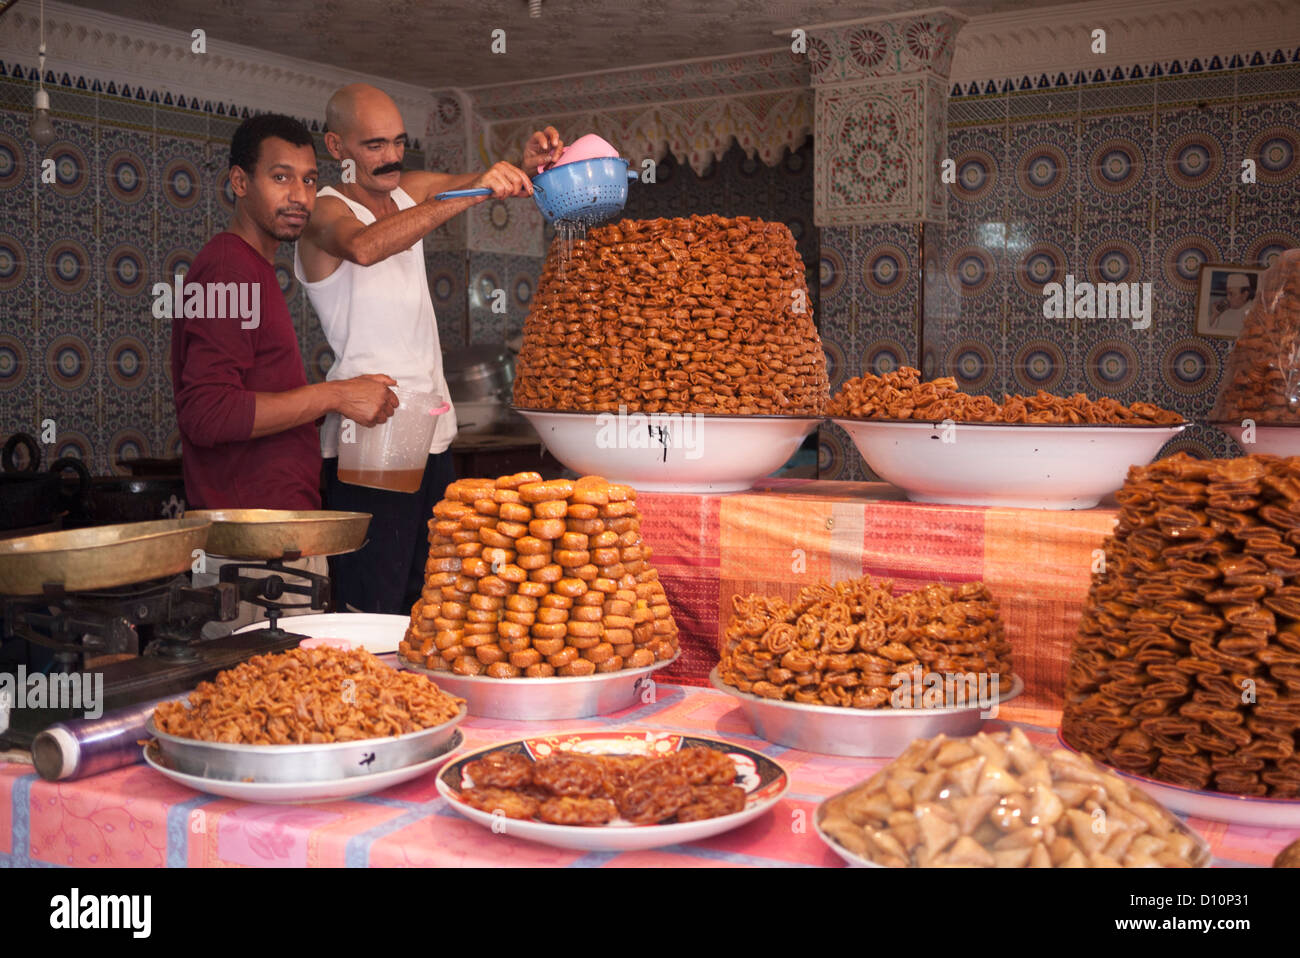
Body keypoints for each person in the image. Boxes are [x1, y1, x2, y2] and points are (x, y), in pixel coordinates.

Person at [295, 83, 563, 614]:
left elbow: (475, 184)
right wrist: (467, 193)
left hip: (432, 424)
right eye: (374, 145)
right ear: (336, 147)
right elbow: (365, 246)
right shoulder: (323, 211)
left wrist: (523, 168)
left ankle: (421, 698)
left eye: (398, 142)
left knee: (429, 595)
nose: (392, 157)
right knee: (375, 598)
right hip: (373, 432)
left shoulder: (406, 190)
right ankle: (366, 692)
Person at [170, 113, 399, 632]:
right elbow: (207, 414)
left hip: (276, 538)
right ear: (239, 183)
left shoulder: (253, 269)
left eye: (309, 179)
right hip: (253, 549)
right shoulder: (228, 270)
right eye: (280, 177)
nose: (299, 194)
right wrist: (336, 395)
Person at [1210, 272, 1256, 336]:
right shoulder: (1223, 310)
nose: (1227, 298)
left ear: (1245, 295)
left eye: (1231, 294)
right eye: (1227, 294)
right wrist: (1214, 315)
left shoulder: (1254, 311)